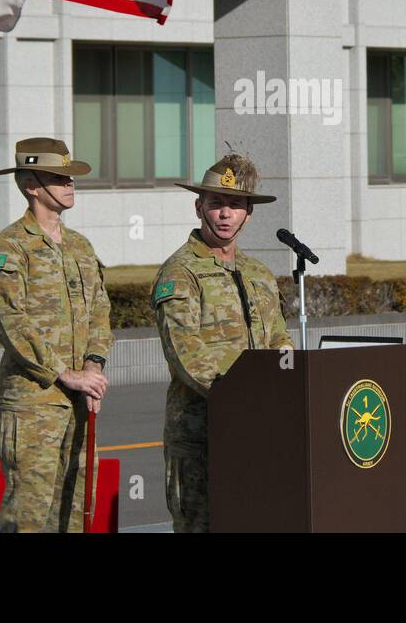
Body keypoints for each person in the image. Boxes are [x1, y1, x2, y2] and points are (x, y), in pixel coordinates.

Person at [152, 154, 292, 533]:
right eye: (216, 204)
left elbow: (278, 338)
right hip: (201, 434)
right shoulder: (180, 272)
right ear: (199, 207)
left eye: (235, 205)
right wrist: (244, 399)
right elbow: (186, 353)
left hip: (258, 430)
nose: (225, 214)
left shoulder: (258, 274)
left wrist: (289, 379)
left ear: (249, 213)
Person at [0, 137, 112, 533]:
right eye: (59, 177)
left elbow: (100, 309)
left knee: (74, 512)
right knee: (28, 516)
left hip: (79, 401)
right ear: (31, 184)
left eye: (71, 176)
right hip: (32, 405)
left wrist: (92, 366)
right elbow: (12, 322)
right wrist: (63, 372)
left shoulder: (79, 246)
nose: (70, 184)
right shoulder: (10, 246)